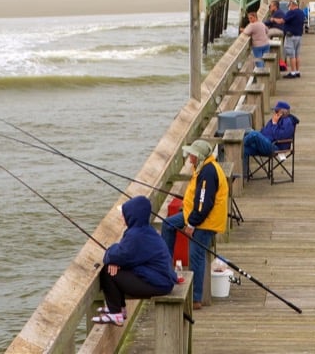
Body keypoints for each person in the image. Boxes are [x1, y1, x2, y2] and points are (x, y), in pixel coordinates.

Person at [160, 139, 228, 310]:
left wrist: (191, 224)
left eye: (191, 154)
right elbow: (197, 199)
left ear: (198, 156)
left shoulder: (208, 172)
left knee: (196, 256)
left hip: (205, 221)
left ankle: (196, 298)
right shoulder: (201, 168)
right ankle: (166, 268)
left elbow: (204, 204)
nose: (189, 156)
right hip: (194, 214)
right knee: (168, 225)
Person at [92, 195, 177, 326]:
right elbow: (123, 255)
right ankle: (119, 309)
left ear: (132, 216)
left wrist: (111, 255)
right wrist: (116, 260)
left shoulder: (136, 236)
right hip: (162, 278)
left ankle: (116, 314)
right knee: (114, 267)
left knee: (107, 272)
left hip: (159, 284)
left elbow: (115, 256)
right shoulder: (144, 230)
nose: (122, 217)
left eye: (124, 214)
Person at [241, 101, 299, 178]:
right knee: (244, 149)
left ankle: (240, 144)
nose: (275, 112)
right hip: (266, 143)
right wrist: (272, 123)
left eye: (277, 111)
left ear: (283, 112)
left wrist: (274, 124)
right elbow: (264, 131)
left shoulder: (288, 122)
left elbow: (280, 136)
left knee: (254, 134)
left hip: (275, 147)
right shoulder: (275, 119)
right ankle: (244, 174)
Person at [269, 0, 305, 78]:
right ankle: (297, 71)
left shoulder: (291, 12)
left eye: (289, 5)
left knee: (291, 55)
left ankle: (292, 72)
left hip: (291, 36)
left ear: (292, 5)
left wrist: (273, 19)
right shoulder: (301, 12)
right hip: (299, 36)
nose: (289, 7)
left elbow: (282, 21)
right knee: (297, 55)